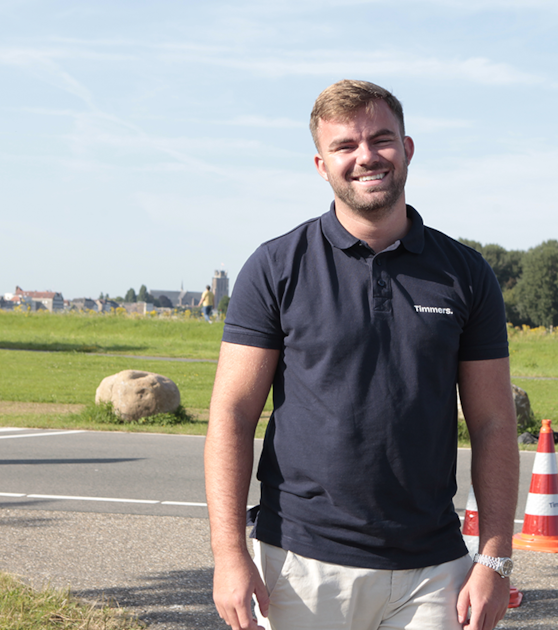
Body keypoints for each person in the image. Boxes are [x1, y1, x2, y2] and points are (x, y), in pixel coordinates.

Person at [204, 79, 519, 630]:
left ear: (408, 148)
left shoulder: (465, 274)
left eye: (381, 139)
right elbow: (232, 415)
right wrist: (229, 555)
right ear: (322, 165)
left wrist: (494, 559)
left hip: (435, 570)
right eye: (345, 146)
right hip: (301, 565)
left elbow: (493, 423)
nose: (366, 157)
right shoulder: (276, 266)